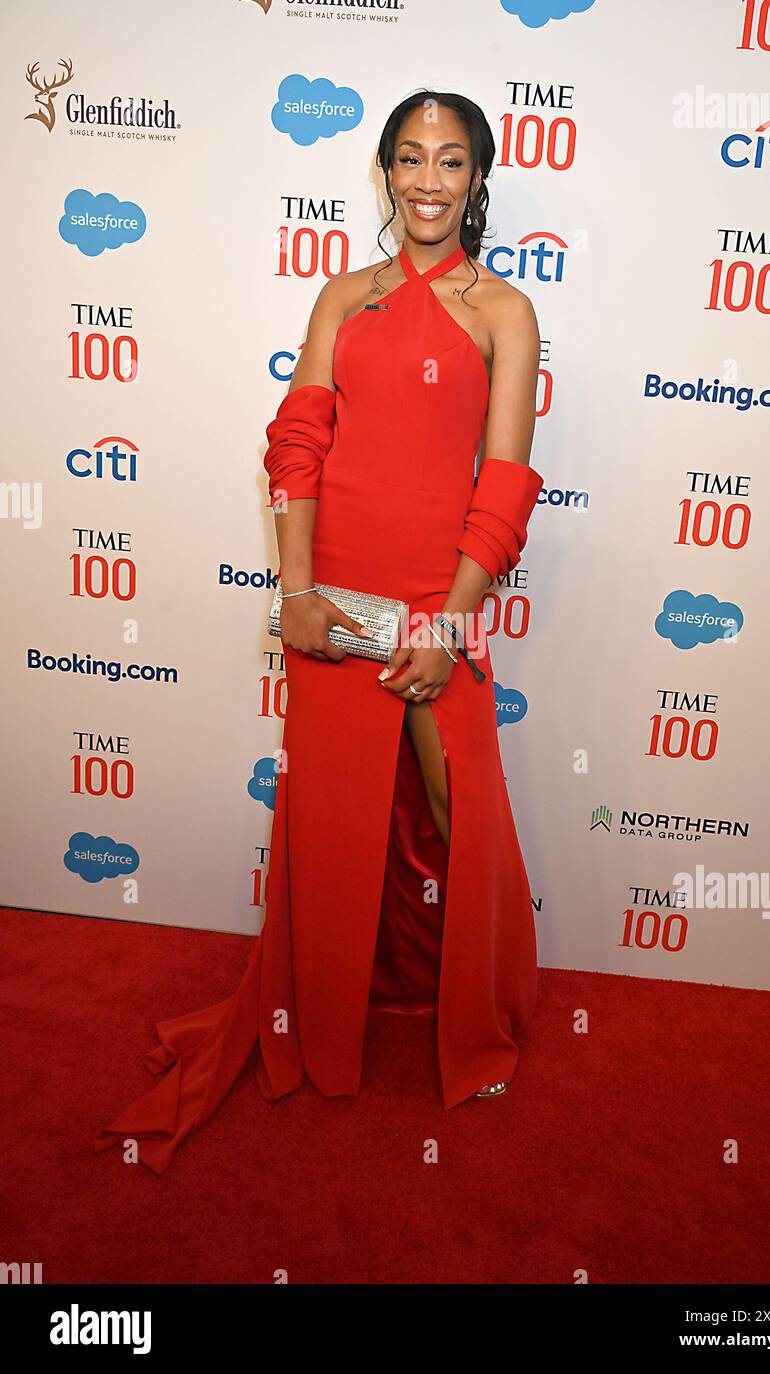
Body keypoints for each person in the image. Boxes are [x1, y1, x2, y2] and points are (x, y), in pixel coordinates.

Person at [95, 90, 544, 1174]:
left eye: (450, 161)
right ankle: (321, 1025)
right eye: (409, 158)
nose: (428, 180)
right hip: (338, 599)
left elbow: (506, 481)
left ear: (479, 177)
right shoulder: (342, 298)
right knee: (336, 823)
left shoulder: (504, 312)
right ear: (385, 173)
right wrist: (295, 592)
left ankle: (477, 1015)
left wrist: (450, 619)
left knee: (459, 807)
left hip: (440, 599)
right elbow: (299, 444)